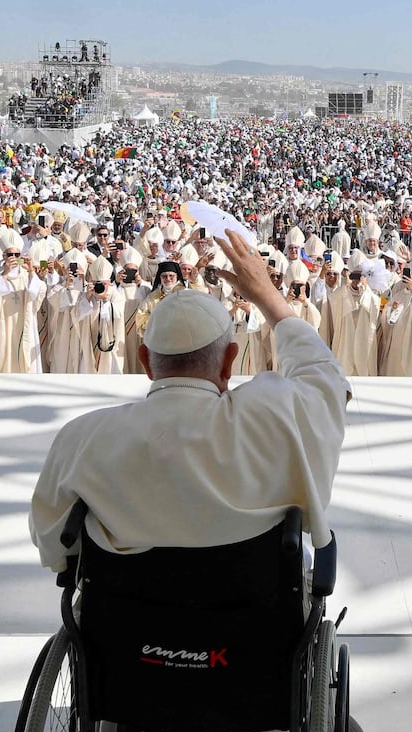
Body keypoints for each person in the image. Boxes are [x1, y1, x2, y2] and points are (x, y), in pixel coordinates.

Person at [28, 230, 352, 572]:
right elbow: (325, 377)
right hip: (260, 620)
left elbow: (53, 546)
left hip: (118, 621)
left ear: (146, 361)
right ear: (230, 361)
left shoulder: (82, 439)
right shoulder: (276, 415)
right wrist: (268, 296)